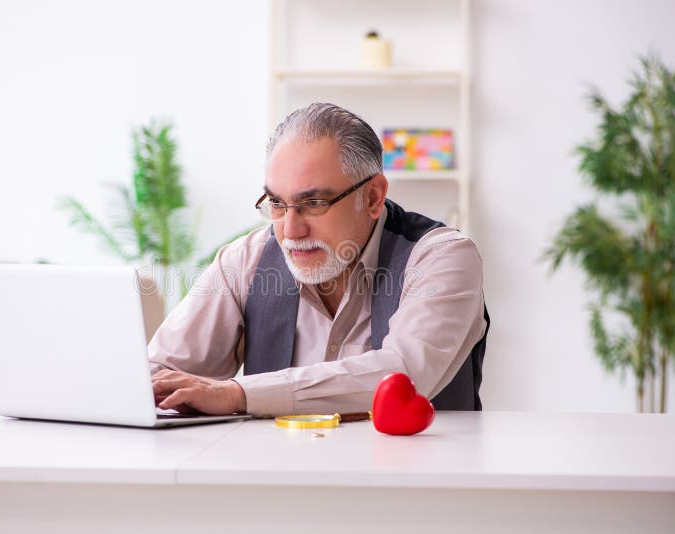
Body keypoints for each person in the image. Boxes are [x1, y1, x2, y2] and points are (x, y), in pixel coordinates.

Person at [149, 102, 489, 417]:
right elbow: (159, 372)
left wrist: (238, 394)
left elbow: (402, 376)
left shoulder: (442, 257)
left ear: (372, 197)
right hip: (279, 474)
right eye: (277, 204)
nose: (290, 230)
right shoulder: (245, 261)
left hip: (422, 478)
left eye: (313, 203)